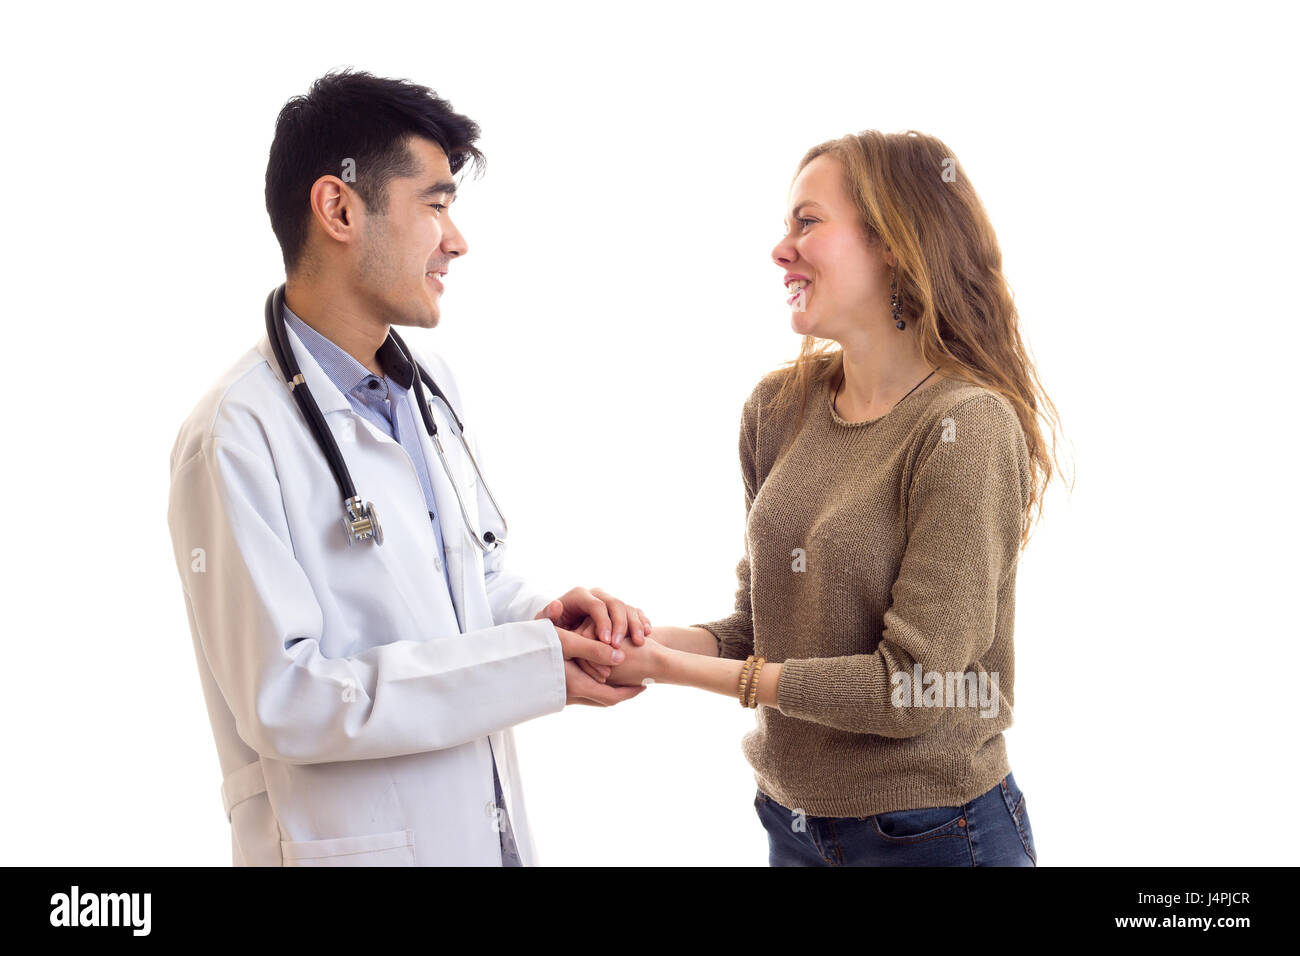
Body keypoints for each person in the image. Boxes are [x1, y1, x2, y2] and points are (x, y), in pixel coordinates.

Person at [165, 70, 648, 867]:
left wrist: (540, 620)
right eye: (435, 203)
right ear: (340, 207)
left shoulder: (427, 391)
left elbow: (460, 588)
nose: (456, 241)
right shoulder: (234, 434)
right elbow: (286, 699)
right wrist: (528, 669)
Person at [593, 130, 1068, 866]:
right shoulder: (779, 408)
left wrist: (674, 670)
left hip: (933, 834)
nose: (781, 250)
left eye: (806, 223)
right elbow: (762, 629)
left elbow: (913, 686)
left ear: (892, 243)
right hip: (792, 826)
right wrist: (635, 642)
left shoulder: (965, 427)